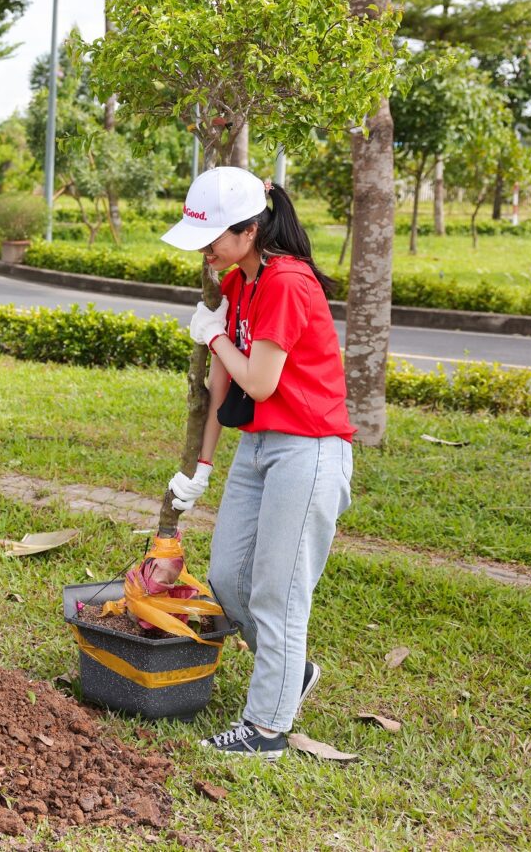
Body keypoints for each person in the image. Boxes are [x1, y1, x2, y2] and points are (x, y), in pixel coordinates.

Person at [156, 166, 354, 760]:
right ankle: (290, 672)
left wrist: (213, 337)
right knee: (228, 578)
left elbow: (260, 381)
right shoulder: (243, 280)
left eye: (212, 238)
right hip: (259, 446)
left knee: (279, 591)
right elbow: (226, 383)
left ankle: (267, 729)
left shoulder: (288, 283)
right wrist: (204, 467)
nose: (205, 251)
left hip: (308, 449)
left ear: (249, 228)